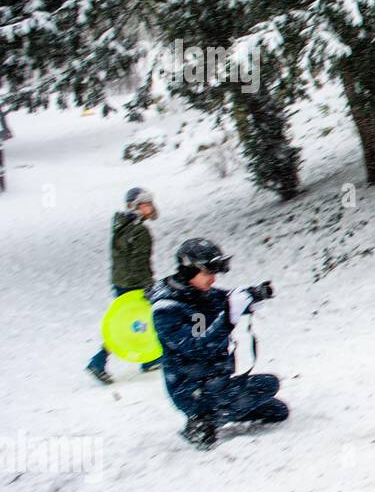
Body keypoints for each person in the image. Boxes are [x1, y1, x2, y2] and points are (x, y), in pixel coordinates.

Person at [148, 238, 288, 449]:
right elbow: (197, 348)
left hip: (216, 382)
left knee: (277, 411)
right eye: (208, 274)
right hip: (192, 390)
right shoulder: (168, 309)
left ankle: (220, 411)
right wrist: (229, 318)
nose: (213, 280)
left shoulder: (199, 293)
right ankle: (202, 421)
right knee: (268, 384)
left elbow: (225, 299)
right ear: (188, 272)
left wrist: (253, 295)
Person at [86, 187, 160, 384]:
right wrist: (148, 286)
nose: (150, 207)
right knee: (138, 321)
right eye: (145, 204)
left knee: (128, 321)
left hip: (120, 282)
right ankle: (98, 362)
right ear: (134, 206)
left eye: (150, 203)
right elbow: (139, 261)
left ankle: (150, 359)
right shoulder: (140, 231)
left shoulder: (121, 225)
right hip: (135, 285)